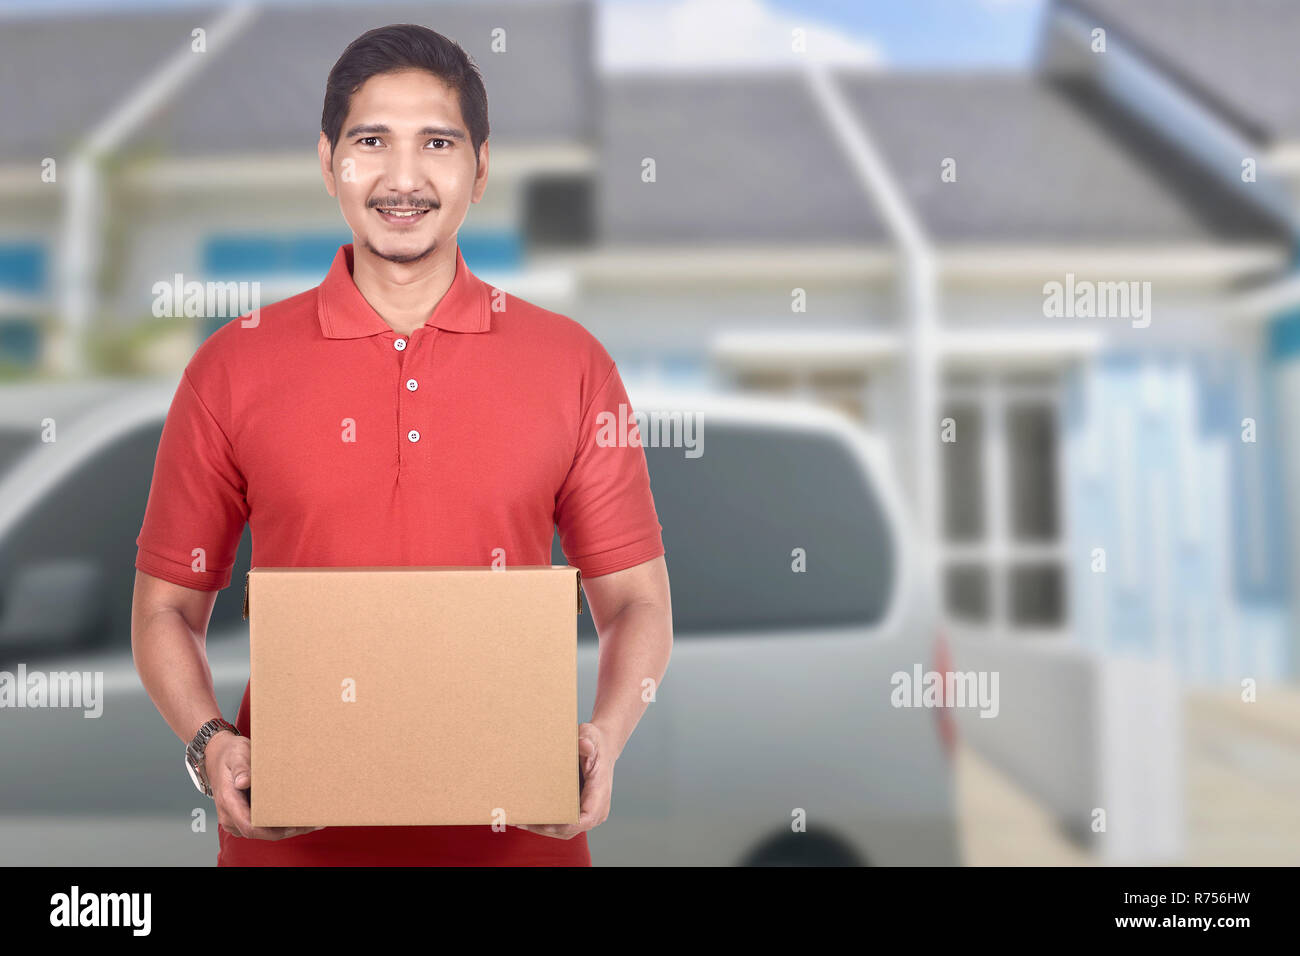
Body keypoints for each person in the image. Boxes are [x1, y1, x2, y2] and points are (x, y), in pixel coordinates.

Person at [131, 23, 673, 866]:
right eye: (371, 141)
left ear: (481, 169)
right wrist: (209, 745)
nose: (404, 178)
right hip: (290, 848)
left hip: (521, 846)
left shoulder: (571, 364)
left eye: (439, 143)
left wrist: (606, 734)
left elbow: (637, 602)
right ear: (328, 162)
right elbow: (165, 608)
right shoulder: (231, 366)